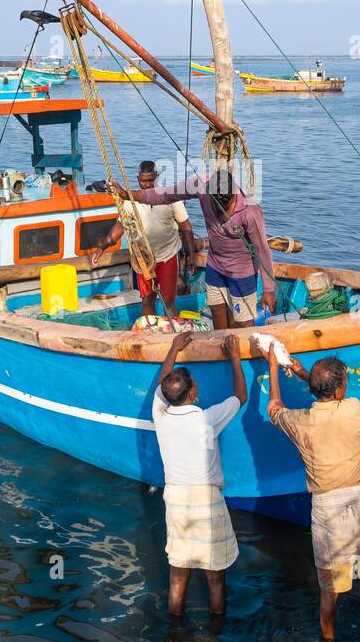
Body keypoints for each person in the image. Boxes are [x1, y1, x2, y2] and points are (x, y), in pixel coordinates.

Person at [266, 346, 360, 642]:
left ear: (315, 389)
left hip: (327, 514)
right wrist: (304, 374)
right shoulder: (353, 409)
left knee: (330, 594)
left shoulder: (299, 422)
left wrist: (273, 367)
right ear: (340, 389)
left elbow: (274, 408)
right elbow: (333, 393)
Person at [153, 331, 246, 616]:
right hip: (207, 500)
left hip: (176, 499)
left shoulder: (160, 414)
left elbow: (163, 382)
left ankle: (175, 630)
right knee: (215, 576)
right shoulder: (206, 418)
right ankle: (217, 630)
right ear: (193, 394)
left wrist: (173, 347)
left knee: (177, 576)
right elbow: (240, 396)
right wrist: (235, 357)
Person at [122, 168, 276, 329]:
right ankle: (218, 344)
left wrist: (268, 289)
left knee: (242, 321)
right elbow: (165, 195)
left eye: (226, 206)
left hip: (241, 273)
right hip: (215, 267)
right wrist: (128, 195)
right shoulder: (201, 185)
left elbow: (262, 250)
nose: (221, 212)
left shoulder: (250, 211)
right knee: (217, 311)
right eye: (216, 205)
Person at [89, 160, 196, 317]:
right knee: (147, 300)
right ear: (138, 179)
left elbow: (186, 227)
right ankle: (149, 328)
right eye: (143, 181)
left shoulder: (171, 198)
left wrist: (191, 255)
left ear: (157, 177)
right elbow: (119, 228)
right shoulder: (130, 202)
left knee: (168, 302)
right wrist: (101, 248)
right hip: (144, 260)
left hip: (167, 257)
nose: (147, 185)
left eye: (151, 180)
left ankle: (172, 329)